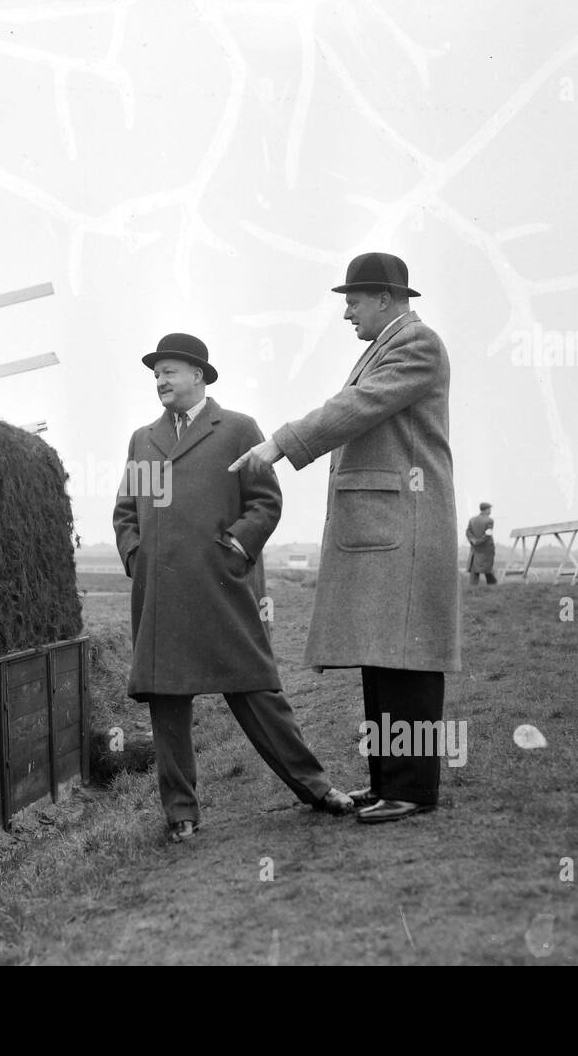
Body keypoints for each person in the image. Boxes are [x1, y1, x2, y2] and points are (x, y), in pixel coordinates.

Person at [229, 253, 461, 824]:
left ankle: (412, 790)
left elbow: (357, 406)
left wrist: (282, 442)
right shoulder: (389, 344)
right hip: (386, 527)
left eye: (353, 302)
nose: (347, 314)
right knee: (382, 658)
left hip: (404, 526)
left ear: (385, 297)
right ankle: (388, 783)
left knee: (405, 662)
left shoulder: (418, 344)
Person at [113, 332, 354, 843]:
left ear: (198, 375)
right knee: (167, 702)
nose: (160, 380)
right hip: (161, 596)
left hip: (222, 587)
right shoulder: (144, 439)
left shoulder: (238, 429)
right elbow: (127, 512)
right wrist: (138, 556)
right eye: (155, 373)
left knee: (255, 690)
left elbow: (264, 502)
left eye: (169, 371)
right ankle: (181, 814)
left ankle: (315, 788)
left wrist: (236, 549)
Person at [466, 502, 497, 585]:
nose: (490, 511)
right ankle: (492, 586)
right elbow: (488, 534)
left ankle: (472, 587)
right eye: (489, 509)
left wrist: (473, 540)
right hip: (487, 549)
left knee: (475, 569)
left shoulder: (472, 519)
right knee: (488, 569)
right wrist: (478, 541)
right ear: (486, 510)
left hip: (475, 549)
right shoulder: (490, 520)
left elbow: (468, 532)